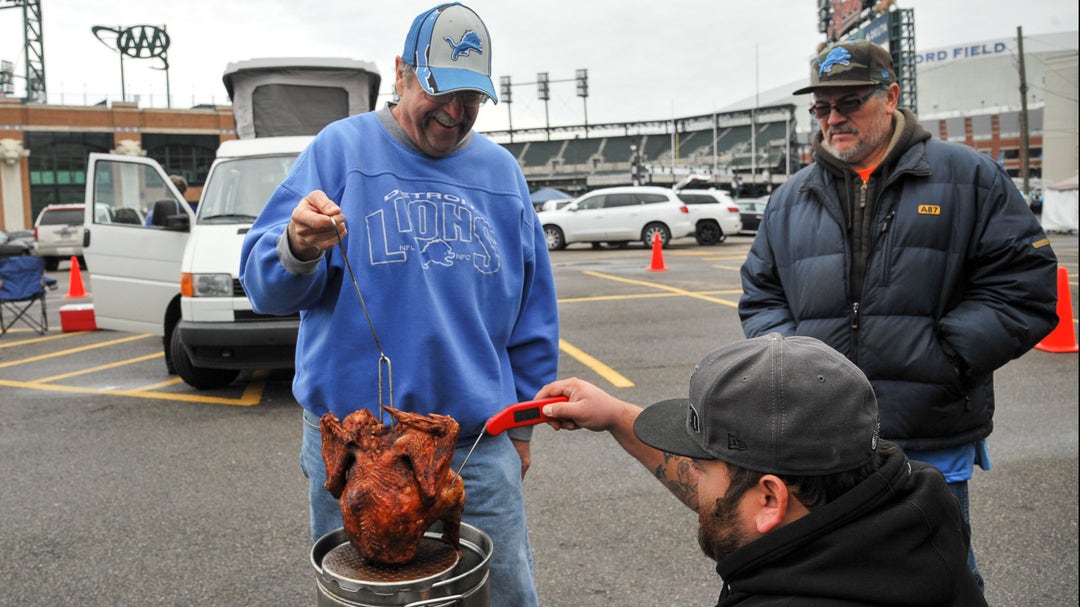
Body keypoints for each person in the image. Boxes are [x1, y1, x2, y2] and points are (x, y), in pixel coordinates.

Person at [238, 4, 559, 606]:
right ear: (402, 74)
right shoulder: (341, 151)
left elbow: (532, 314)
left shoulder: (501, 173)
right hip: (356, 450)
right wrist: (298, 245)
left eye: (472, 98)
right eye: (442, 91)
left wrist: (523, 432)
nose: (456, 113)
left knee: (503, 591)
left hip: (473, 445)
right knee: (364, 598)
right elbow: (265, 285)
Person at [738, 39, 1059, 591]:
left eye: (849, 101)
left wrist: (945, 357)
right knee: (831, 583)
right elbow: (762, 295)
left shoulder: (968, 177)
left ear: (890, 96)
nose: (833, 118)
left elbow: (1026, 286)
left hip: (928, 431)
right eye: (821, 108)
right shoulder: (791, 198)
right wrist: (797, 366)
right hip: (823, 437)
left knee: (940, 579)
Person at [536, 333, 986, 606]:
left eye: (700, 468)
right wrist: (616, 414)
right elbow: (737, 498)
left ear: (771, 498)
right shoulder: (910, 512)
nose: (691, 477)